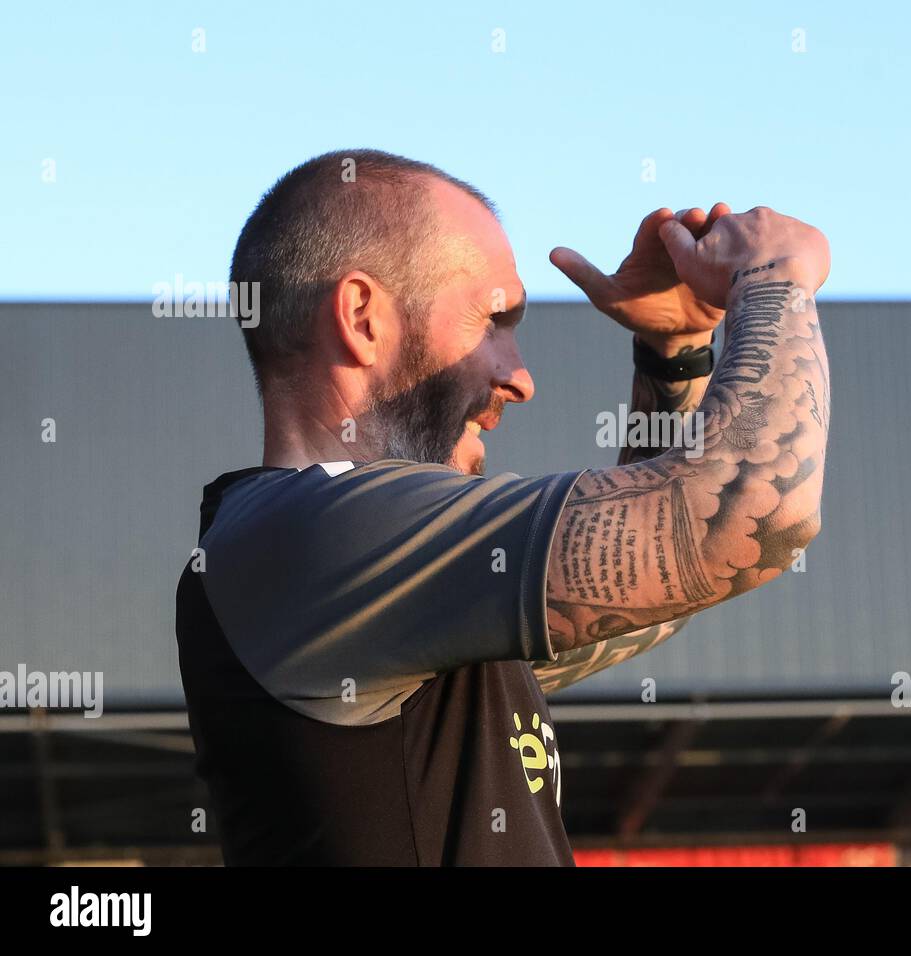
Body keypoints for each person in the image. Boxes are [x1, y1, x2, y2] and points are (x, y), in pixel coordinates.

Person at [175, 149, 831, 865]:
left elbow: (654, 581)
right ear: (363, 317)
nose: (519, 378)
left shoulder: (374, 591)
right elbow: (748, 520)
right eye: (493, 322)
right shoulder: (305, 538)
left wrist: (673, 352)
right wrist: (775, 280)